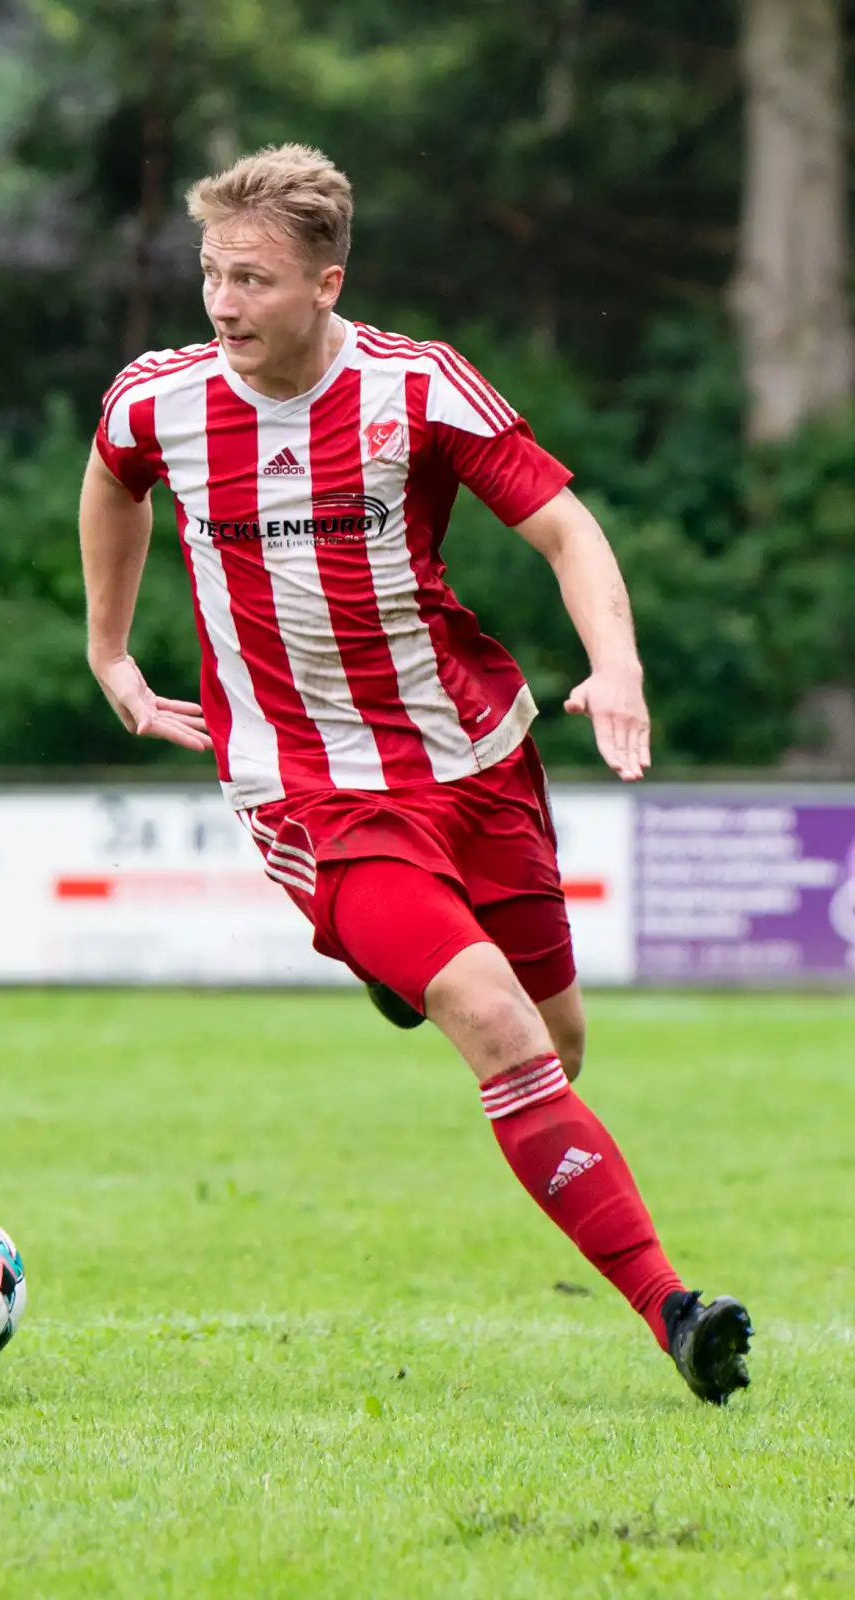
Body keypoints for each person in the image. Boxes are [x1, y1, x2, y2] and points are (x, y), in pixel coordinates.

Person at [78, 143, 752, 1404]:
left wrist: (617, 665)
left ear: (327, 282)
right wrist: (109, 650)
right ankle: (673, 1308)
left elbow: (565, 526)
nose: (223, 304)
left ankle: (404, 972)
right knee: (496, 1027)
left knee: (559, 1040)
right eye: (212, 274)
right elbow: (114, 482)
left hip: (475, 759)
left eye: (255, 281)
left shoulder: (418, 388)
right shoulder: (160, 400)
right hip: (309, 790)